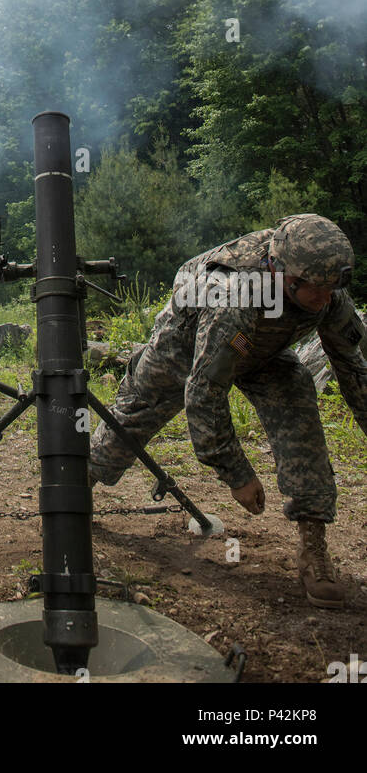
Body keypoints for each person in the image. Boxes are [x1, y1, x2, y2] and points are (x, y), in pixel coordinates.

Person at [89, 214, 367, 608]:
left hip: (263, 353)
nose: (325, 299)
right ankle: (78, 486)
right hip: (184, 350)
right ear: (282, 275)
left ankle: (314, 548)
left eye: (331, 288)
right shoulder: (235, 295)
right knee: (129, 424)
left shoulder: (325, 290)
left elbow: (354, 368)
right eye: (316, 290)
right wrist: (236, 473)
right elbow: (204, 391)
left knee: (298, 394)